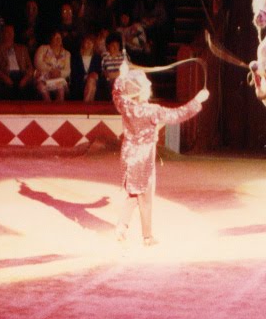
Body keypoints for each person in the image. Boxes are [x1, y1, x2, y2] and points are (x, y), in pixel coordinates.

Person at [112, 60, 209, 246]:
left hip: (128, 155)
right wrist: (198, 100)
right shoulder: (152, 111)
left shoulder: (124, 105)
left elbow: (117, 92)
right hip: (143, 158)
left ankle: (121, 228)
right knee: (145, 196)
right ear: (139, 91)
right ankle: (147, 237)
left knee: (133, 192)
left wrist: (123, 74)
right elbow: (178, 114)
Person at [0, 24, 35, 100]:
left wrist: (26, 78)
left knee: (30, 89)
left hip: (21, 74)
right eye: (7, 32)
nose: (10, 34)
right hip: (5, 75)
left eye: (12, 32)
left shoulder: (22, 49)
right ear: (3, 34)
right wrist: (4, 77)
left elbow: (30, 67)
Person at [34, 31, 71, 102]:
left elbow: (68, 70)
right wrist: (51, 70)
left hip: (58, 79)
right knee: (42, 89)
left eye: (59, 38)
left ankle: (59, 111)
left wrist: (59, 73)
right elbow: (38, 63)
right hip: (43, 78)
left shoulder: (67, 53)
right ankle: (48, 110)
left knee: (61, 89)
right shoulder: (42, 48)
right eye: (56, 38)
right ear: (51, 39)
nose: (58, 40)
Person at [70, 34, 101, 101]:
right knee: (91, 84)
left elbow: (99, 72)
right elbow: (74, 73)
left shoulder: (97, 58)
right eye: (87, 42)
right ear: (83, 44)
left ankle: (85, 105)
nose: (89, 44)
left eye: (91, 42)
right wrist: (86, 77)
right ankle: (88, 107)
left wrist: (93, 76)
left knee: (91, 81)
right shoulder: (76, 57)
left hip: (94, 81)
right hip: (79, 82)